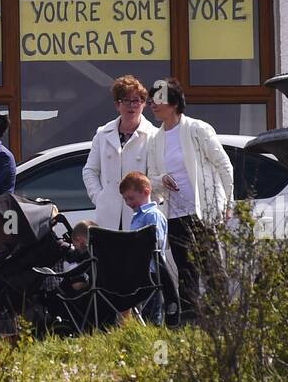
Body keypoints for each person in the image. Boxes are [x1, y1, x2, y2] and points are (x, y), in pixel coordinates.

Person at [143, 77, 233, 324]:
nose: (152, 105)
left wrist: (227, 203)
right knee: (186, 271)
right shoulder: (155, 139)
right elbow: (151, 177)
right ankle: (191, 324)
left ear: (173, 103)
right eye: (151, 100)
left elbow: (224, 165)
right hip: (175, 213)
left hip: (202, 210)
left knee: (212, 268)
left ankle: (221, 323)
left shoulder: (197, 129)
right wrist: (162, 178)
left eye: (157, 100)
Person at [82, 75, 158, 230]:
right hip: (108, 216)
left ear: (143, 104)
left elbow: (158, 175)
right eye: (126, 101)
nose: (132, 106)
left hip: (141, 217)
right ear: (117, 104)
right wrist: (99, 197)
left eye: (136, 101)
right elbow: (90, 170)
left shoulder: (154, 136)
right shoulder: (103, 134)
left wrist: (147, 202)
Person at [120, 171, 167, 324]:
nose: (128, 202)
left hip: (153, 273)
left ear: (146, 192)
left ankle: (157, 344)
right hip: (140, 272)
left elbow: (157, 242)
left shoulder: (152, 215)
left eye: (131, 198)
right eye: (125, 199)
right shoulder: (137, 217)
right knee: (143, 314)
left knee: (153, 316)